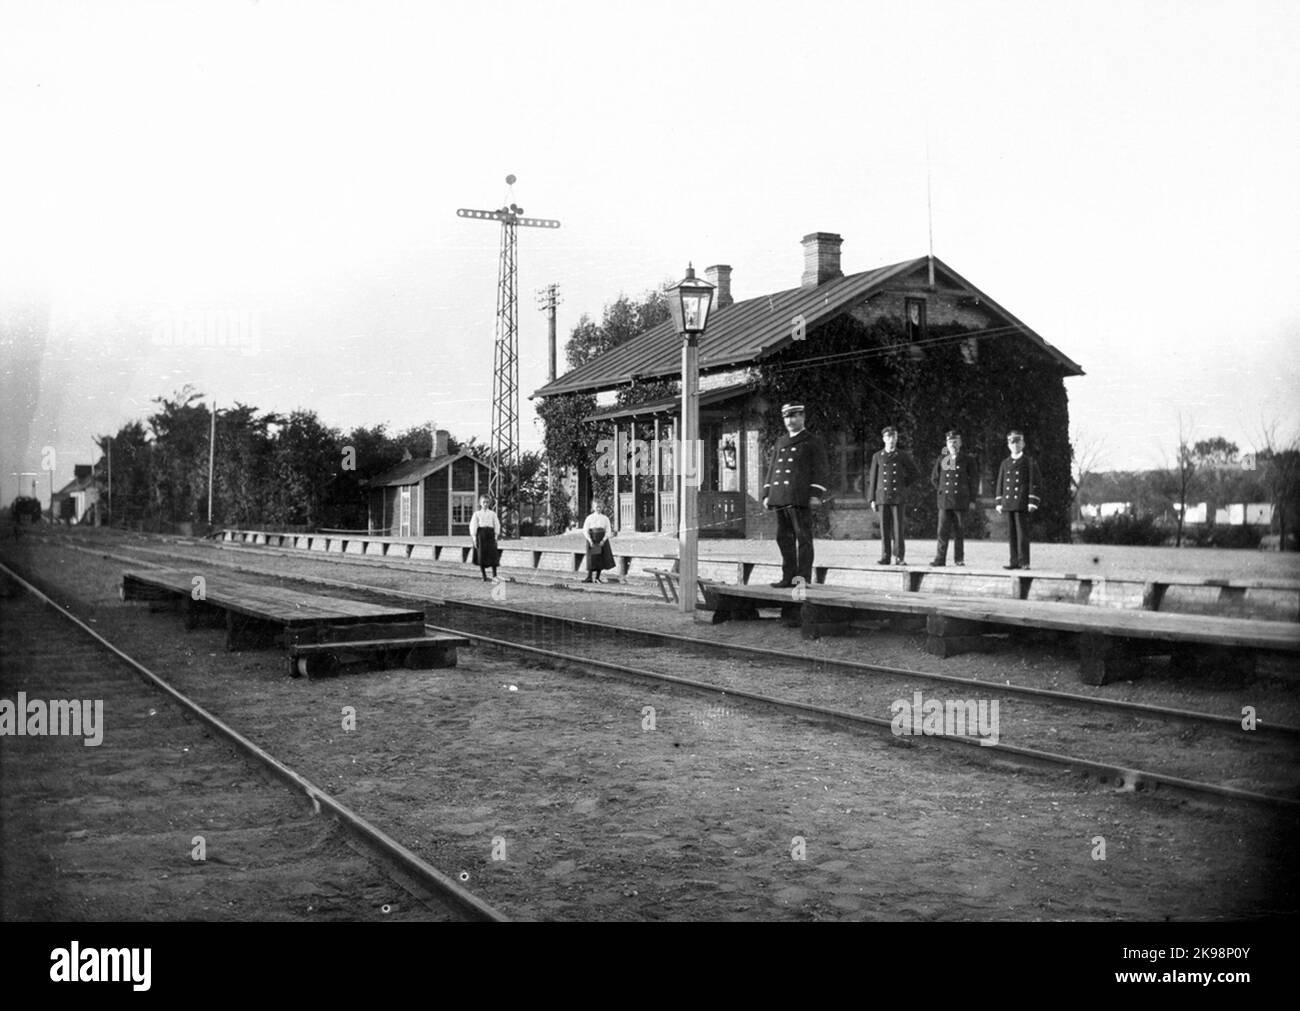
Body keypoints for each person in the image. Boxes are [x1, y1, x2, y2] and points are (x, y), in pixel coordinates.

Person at [762, 402, 830, 588]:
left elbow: (821, 470)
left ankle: (802, 578)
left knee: (803, 538)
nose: (790, 420)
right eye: (787, 417)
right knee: (783, 538)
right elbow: (772, 468)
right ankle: (788, 576)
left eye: (795, 416)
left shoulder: (812, 441)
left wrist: (816, 493)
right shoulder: (780, 441)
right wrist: (767, 493)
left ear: (803, 417)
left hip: (799, 496)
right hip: (780, 497)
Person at [867, 426, 919, 565]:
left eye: (894, 437)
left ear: (896, 438)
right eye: (888, 437)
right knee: (884, 529)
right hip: (882, 497)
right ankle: (885, 556)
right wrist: (872, 498)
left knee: (898, 528)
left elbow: (914, 473)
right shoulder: (877, 456)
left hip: (897, 497)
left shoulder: (902, 455)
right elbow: (873, 478)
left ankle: (899, 557)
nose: (891, 440)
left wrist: (902, 485)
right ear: (884, 439)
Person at [929, 430, 980, 566]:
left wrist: (972, 499)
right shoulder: (943, 458)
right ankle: (940, 559)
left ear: (960, 443)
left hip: (960, 500)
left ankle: (959, 559)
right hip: (945, 501)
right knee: (942, 531)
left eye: (956, 441)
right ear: (947, 443)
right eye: (950, 442)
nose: (953, 444)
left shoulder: (968, 459)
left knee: (959, 531)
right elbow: (935, 478)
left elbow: (974, 481)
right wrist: (942, 491)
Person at [995, 430, 1041, 569]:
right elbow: (1000, 482)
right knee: (1012, 535)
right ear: (1008, 445)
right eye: (1012, 443)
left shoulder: (1028, 462)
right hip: (1008, 502)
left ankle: (1024, 562)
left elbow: (1035, 482)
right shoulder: (1005, 462)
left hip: (1021, 502)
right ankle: (1014, 562)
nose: (1015, 445)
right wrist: (998, 501)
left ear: (1023, 443)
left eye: (1018, 442)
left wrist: (1032, 501)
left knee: (1022, 534)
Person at [581, 499, 615, 583]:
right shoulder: (589, 518)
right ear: (593, 507)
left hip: (601, 538)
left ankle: (597, 577)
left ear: (602, 508)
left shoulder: (605, 518)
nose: (598, 509)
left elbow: (608, 530)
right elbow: (585, 530)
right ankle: (589, 577)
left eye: (600, 507)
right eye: (596, 507)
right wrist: (589, 540)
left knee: (600, 558)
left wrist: (604, 540)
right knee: (592, 558)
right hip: (593, 538)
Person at [468, 495, 501, 581]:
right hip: (481, 535)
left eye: (487, 502)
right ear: (480, 503)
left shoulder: (493, 514)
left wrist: (496, 536)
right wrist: (474, 537)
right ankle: (484, 576)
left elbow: (496, 524)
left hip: (490, 534)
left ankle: (494, 575)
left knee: (492, 555)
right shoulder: (477, 514)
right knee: (481, 555)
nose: (485, 504)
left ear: (489, 503)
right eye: (484, 502)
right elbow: (473, 525)